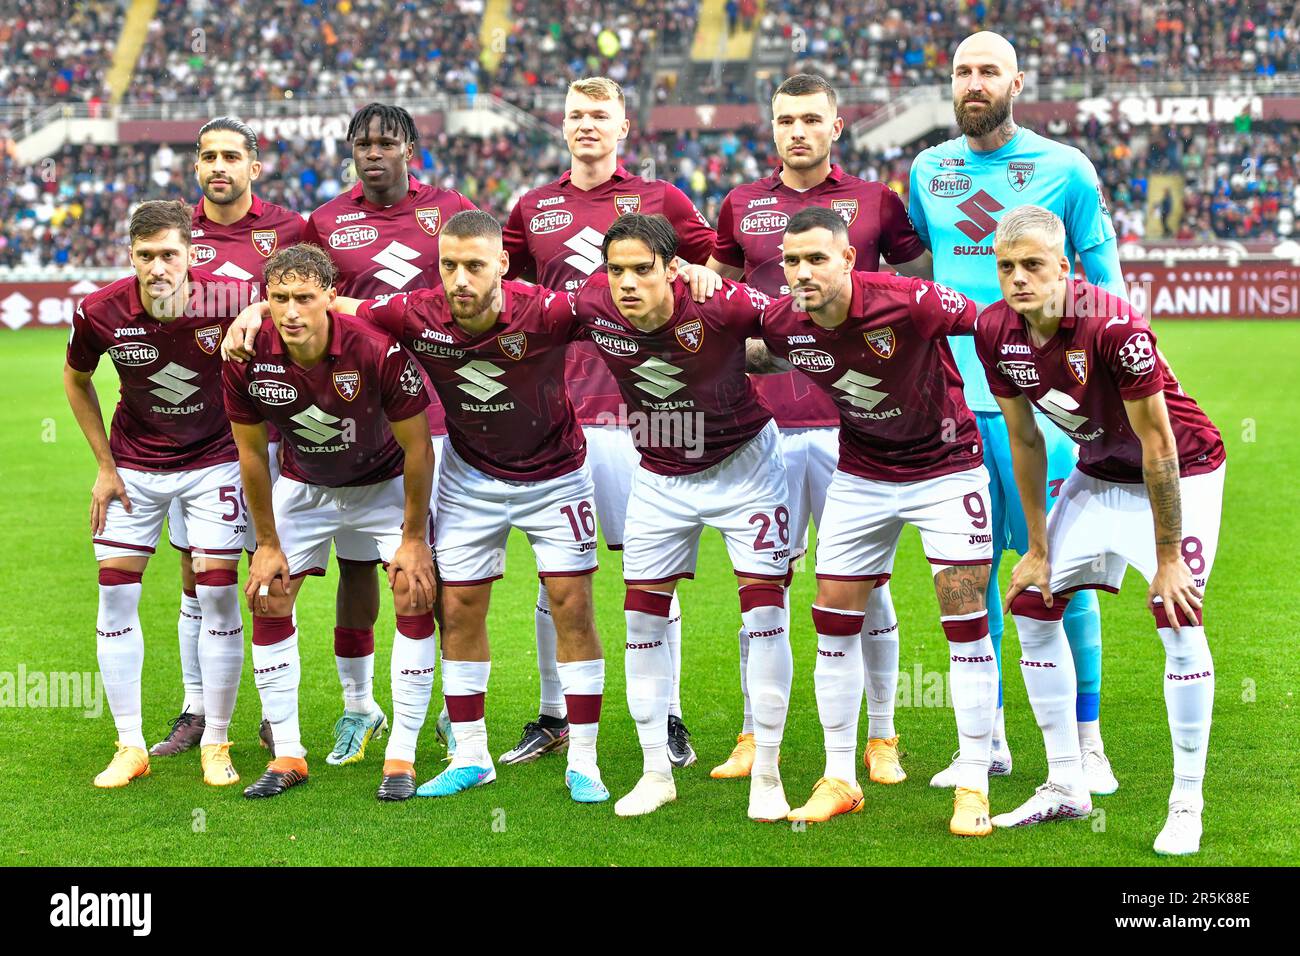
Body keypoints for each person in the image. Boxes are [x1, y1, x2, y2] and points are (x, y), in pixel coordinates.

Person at [908, 31, 1126, 793]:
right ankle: (989, 740)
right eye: (963, 70)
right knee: (970, 579)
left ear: (1016, 81)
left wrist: (1107, 393)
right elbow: (912, 281)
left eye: (988, 71)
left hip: (1051, 415)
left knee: (1064, 578)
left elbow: (1105, 287)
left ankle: (1086, 742)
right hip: (954, 414)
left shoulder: (1067, 168)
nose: (974, 82)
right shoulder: (927, 171)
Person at [974, 205, 1225, 856]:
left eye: (1033, 265)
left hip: (1180, 472)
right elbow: (1025, 439)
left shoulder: (1113, 324)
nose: (1018, 278)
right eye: (1006, 267)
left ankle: (1186, 801)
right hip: (1098, 473)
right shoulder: (994, 331)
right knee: (1032, 602)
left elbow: (1160, 442)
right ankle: (1065, 782)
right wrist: (1034, 546)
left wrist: (1169, 556)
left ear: (1064, 266)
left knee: (1178, 614)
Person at [706, 72, 932, 783]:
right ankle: (752, 731)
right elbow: (715, 309)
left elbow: (913, 297)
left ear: (837, 126)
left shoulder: (876, 203)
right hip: (761, 429)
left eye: (810, 119)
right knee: (762, 582)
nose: (796, 131)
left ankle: (883, 736)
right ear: (771, 129)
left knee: (866, 585)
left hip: (850, 428)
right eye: (784, 120)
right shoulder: (740, 206)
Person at [501, 76, 718, 769]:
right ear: (561, 126)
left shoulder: (662, 200)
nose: (586, 125)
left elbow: (714, 271)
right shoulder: (532, 209)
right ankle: (553, 713)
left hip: (645, 416)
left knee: (652, 574)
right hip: (558, 415)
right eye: (575, 115)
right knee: (556, 575)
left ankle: (671, 717)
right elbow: (505, 294)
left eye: (599, 115)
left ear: (624, 124)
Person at [759, 207, 998, 834]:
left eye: (816, 258)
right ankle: (840, 775)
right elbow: (742, 339)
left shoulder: (911, 300)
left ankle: (974, 778)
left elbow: (992, 324)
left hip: (948, 470)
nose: (802, 272)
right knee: (832, 621)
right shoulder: (785, 324)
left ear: (848, 259)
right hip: (862, 477)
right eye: (791, 261)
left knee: (965, 619)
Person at [570, 214, 793, 821]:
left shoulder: (719, 303)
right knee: (643, 619)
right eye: (616, 270)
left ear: (673, 269)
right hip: (660, 475)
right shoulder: (591, 304)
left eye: (642, 269)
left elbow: (796, 325)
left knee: (767, 612)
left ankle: (768, 775)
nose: (627, 283)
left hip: (745, 467)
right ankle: (654, 772)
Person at [223, 243, 438, 801]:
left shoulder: (378, 350)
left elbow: (419, 450)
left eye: (304, 299)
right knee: (267, 593)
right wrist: (266, 543)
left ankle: (403, 756)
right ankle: (289, 754)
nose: (291, 312)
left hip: (383, 483)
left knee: (414, 591)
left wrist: (413, 540)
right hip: (305, 486)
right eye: (279, 299)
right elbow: (250, 454)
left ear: (331, 299)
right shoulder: (246, 355)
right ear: (264, 302)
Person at [298, 103, 475, 768]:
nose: (373, 153)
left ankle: (456, 715)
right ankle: (358, 706)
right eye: (363, 143)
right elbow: (310, 309)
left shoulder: (449, 210)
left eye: (386, 142)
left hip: (439, 411)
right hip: (356, 419)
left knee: (438, 569)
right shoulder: (326, 222)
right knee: (354, 568)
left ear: (411, 148)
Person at [65, 199, 252, 789]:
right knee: (115, 597)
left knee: (219, 595)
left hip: (214, 462)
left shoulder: (227, 298)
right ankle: (129, 745)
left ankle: (217, 743)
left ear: (191, 255)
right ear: (130, 257)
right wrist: (103, 466)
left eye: (169, 254)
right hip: (134, 466)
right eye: (145, 256)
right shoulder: (100, 310)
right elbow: (76, 378)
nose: (158, 267)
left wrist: (257, 315)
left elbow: (281, 315)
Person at [152, 116, 305, 759]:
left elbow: (317, 301)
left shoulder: (291, 231)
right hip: (202, 438)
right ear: (196, 167)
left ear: (254, 166)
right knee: (198, 576)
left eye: (231, 156)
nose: (219, 166)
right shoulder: (173, 236)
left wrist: (260, 308)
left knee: (271, 575)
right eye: (208, 156)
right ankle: (196, 708)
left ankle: (276, 717)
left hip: (277, 430)